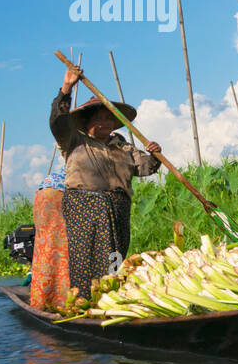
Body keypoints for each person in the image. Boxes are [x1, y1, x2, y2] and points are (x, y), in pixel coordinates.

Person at [49, 65, 163, 298]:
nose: (105, 123)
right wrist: (67, 88)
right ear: (87, 123)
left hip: (117, 207)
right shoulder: (74, 140)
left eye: (108, 119)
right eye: (99, 119)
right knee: (85, 255)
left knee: (116, 255)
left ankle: (112, 297)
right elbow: (58, 122)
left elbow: (145, 167)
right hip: (84, 205)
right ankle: (83, 299)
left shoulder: (124, 146)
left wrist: (155, 154)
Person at [29, 164, 70, 310]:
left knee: (45, 248)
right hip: (61, 193)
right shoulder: (108, 155)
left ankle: (41, 300)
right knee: (65, 249)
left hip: (44, 192)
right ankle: (61, 302)